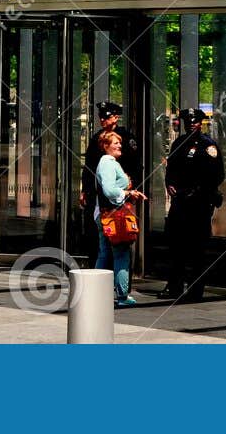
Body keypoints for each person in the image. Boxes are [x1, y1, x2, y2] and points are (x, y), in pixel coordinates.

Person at [162, 108, 225, 303]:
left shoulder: (208, 145)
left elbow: (217, 175)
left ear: (201, 123)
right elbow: (170, 168)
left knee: (197, 248)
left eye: (195, 121)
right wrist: (169, 183)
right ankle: (175, 286)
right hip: (180, 202)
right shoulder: (178, 143)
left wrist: (197, 191)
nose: (191, 124)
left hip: (199, 203)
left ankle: (196, 289)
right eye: (188, 122)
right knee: (176, 245)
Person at [93, 129, 147, 306]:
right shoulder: (108, 163)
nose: (119, 145)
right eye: (115, 143)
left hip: (106, 213)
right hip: (113, 215)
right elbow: (109, 190)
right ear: (105, 146)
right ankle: (122, 295)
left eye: (119, 143)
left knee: (105, 252)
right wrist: (128, 191)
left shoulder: (108, 162)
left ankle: (96, 292)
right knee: (121, 253)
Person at [79, 101, 143, 240]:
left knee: (119, 236)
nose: (102, 119)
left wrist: (132, 183)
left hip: (119, 194)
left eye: (106, 116)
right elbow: (89, 166)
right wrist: (85, 190)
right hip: (98, 194)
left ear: (115, 117)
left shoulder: (125, 138)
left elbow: (136, 165)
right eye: (100, 116)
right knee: (96, 236)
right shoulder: (97, 138)